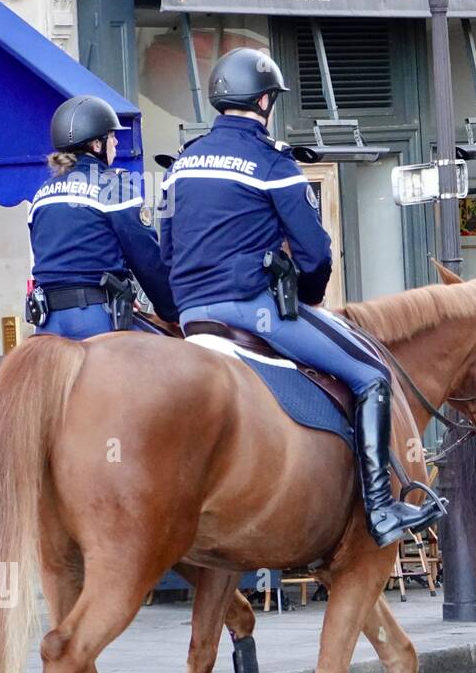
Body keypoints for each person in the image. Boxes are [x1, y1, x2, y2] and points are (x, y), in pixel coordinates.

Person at [161, 46, 441, 547]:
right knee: (372, 375)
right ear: (265, 101)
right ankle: (380, 510)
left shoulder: (182, 164)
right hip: (253, 310)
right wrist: (308, 297)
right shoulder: (273, 163)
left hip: (191, 317)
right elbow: (315, 253)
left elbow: (166, 249)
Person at [26, 95, 178, 339]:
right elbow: (147, 259)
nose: (116, 142)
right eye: (111, 136)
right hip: (92, 319)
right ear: (96, 145)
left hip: (46, 325)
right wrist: (172, 311)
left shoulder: (42, 194)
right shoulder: (112, 187)